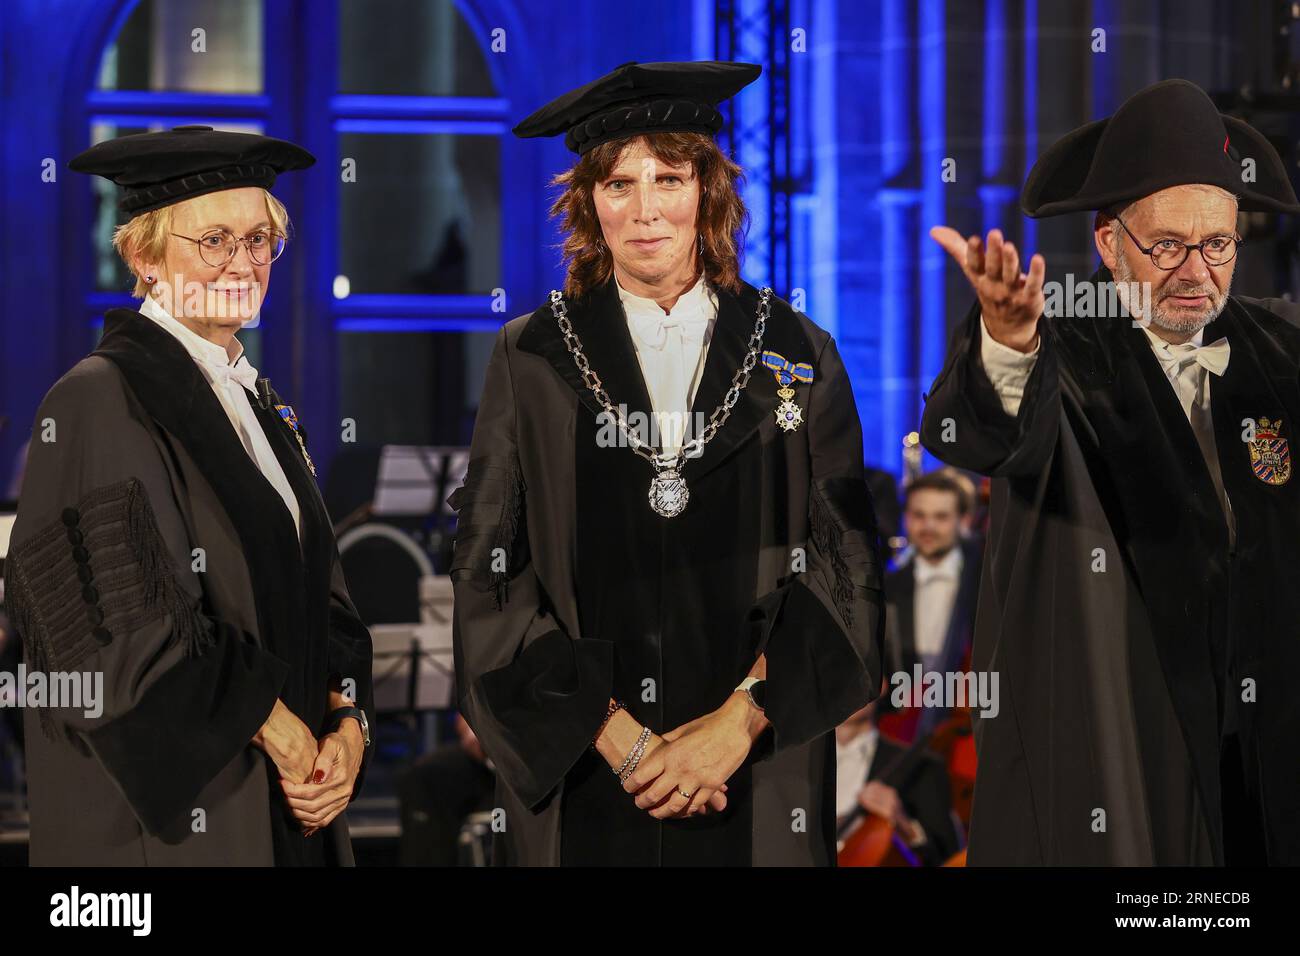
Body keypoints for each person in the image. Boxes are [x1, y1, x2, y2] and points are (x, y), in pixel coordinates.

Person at [448, 60, 885, 866]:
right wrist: (625, 746)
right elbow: (489, 572)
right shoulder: (533, 356)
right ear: (588, 205)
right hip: (591, 769)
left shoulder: (797, 351)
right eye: (617, 185)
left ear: (708, 192)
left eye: (670, 178)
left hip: (754, 766)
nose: (645, 211)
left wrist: (738, 722)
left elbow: (845, 568)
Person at [924, 79, 1300, 864]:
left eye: (1218, 244)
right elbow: (975, 431)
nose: (1196, 270)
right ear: (1107, 241)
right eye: (1167, 245)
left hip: (1266, 751)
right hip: (1118, 740)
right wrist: (1005, 338)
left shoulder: (1279, 347)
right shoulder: (1059, 338)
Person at [5, 126, 374, 865]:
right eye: (213, 241)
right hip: (179, 822)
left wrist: (348, 726)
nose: (242, 264)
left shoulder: (257, 403)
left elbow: (321, 597)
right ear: (143, 256)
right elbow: (118, 638)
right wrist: (279, 728)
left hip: (293, 799)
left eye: (259, 239)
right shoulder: (98, 400)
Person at [884, 470, 982, 739]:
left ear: (964, 520)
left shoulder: (984, 586)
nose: (928, 527)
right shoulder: (885, 589)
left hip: (968, 727)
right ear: (906, 518)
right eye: (919, 515)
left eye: (941, 517)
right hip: (902, 730)